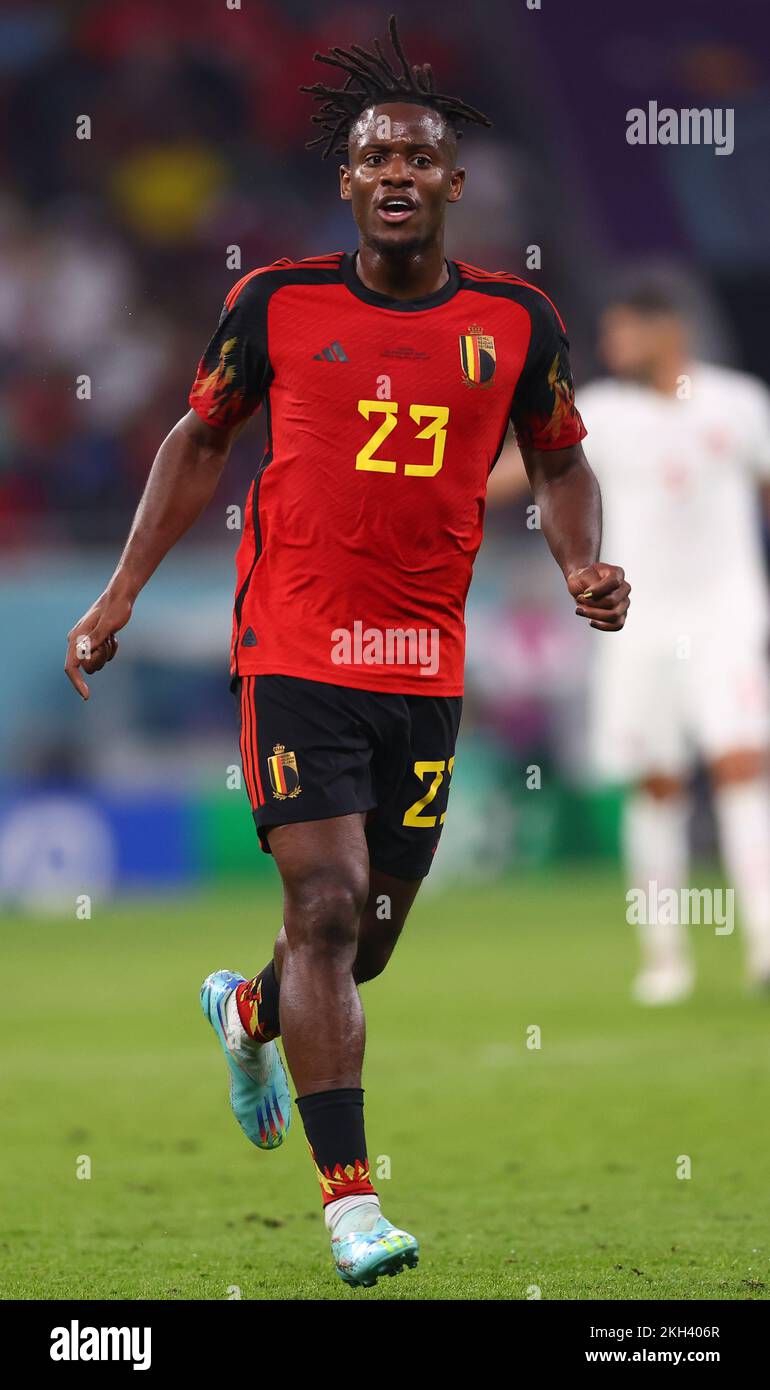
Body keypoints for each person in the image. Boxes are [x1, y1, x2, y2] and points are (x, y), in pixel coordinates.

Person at [64, 15, 629, 1287]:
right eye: (373, 152)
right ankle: (350, 1203)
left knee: (364, 940)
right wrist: (120, 592)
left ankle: (249, 1010)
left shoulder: (514, 321)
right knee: (320, 904)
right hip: (295, 646)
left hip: (421, 664)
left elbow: (557, 455)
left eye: (417, 157)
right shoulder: (274, 302)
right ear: (344, 179)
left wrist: (578, 560)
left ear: (450, 185)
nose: (393, 172)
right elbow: (196, 442)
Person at [490, 276, 770, 1005]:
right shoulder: (601, 414)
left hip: (727, 618)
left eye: (622, 332)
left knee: (743, 767)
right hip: (633, 622)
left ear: (666, 330)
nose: (610, 347)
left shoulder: (738, 403)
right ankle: (666, 959)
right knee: (656, 784)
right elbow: (517, 477)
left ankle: (765, 947)